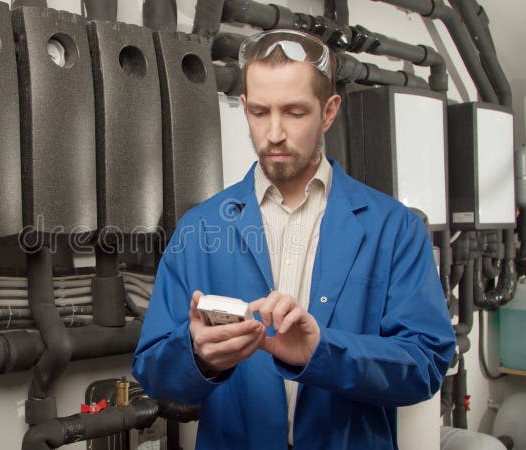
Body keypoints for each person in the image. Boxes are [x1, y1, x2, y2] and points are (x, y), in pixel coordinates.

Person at [132, 29, 455, 450]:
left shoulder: (394, 229)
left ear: (328, 111)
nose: (274, 133)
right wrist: (196, 354)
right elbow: (152, 371)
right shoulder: (200, 229)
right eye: (259, 112)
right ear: (244, 107)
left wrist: (323, 350)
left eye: (295, 112)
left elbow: (426, 364)